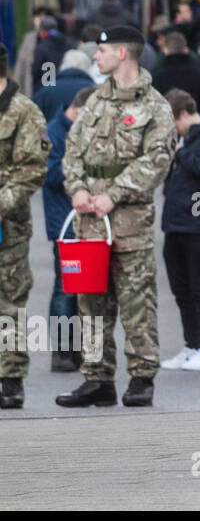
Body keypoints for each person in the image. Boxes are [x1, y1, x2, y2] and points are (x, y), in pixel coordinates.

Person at [56, 26, 176, 408]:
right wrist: (76, 188)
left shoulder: (155, 106)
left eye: (102, 49)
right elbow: (71, 148)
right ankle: (97, 378)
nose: (96, 56)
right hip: (89, 221)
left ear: (123, 53)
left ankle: (141, 378)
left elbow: (158, 159)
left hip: (129, 221)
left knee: (137, 302)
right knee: (90, 303)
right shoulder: (94, 101)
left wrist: (114, 193)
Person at [0, 43, 52, 409]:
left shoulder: (23, 112)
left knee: (9, 301)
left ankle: (10, 379)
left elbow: (32, 169)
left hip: (8, 225)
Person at [159, 89, 200, 372]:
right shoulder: (186, 136)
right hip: (175, 220)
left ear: (185, 114)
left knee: (199, 285)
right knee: (180, 287)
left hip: (196, 220)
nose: (173, 130)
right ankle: (190, 344)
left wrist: (181, 151)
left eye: (174, 122)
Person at [43, 86, 94, 372]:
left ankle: (77, 349)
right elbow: (48, 174)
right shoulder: (55, 131)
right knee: (65, 288)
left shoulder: (76, 129)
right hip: (64, 223)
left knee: (82, 288)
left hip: (82, 221)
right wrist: (79, 171)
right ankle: (62, 350)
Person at [150, 31, 200, 108]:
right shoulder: (199, 73)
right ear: (186, 50)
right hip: (192, 116)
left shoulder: (157, 75)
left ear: (165, 51)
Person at [33, 48, 96, 122]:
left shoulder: (46, 91)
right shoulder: (94, 90)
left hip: (52, 132)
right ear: (88, 66)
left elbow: (34, 119)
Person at [32, 16, 71, 92]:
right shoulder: (69, 44)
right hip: (64, 87)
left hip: (45, 89)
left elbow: (35, 71)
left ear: (42, 31)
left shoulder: (41, 47)